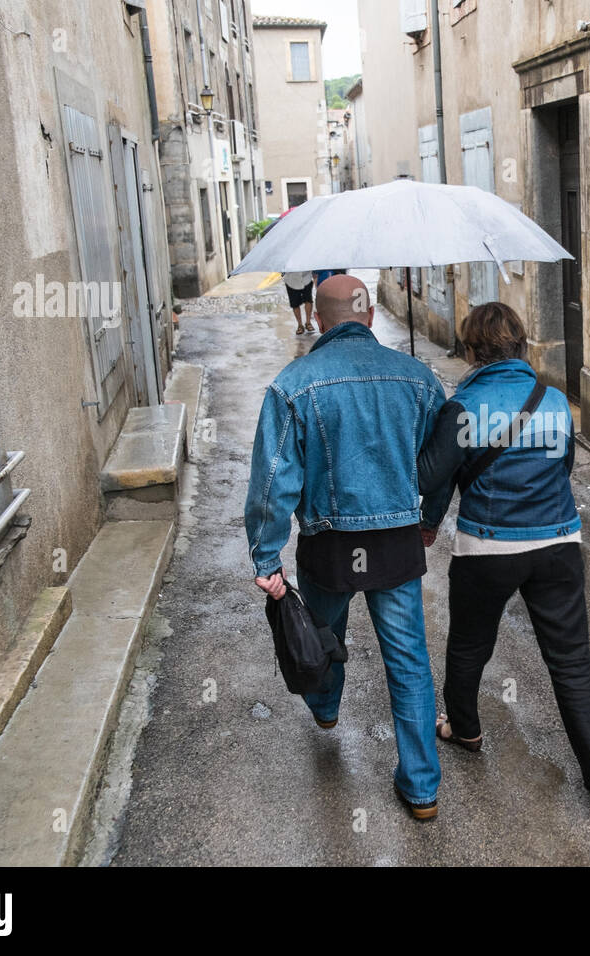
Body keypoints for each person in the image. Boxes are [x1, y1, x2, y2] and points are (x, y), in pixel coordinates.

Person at [245, 274, 447, 820]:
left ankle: (327, 708)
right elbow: (443, 460)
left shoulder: (294, 384)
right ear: (371, 316)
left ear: (318, 318)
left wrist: (267, 558)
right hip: (396, 546)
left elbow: (272, 482)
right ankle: (422, 788)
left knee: (324, 634)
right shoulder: (420, 379)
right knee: (407, 660)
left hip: (329, 546)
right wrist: (428, 519)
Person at [417, 302, 590, 817]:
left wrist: (429, 510)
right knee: (573, 661)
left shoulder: (462, 407)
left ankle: (464, 728)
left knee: (469, 646)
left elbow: (428, 477)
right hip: (558, 545)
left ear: (471, 351)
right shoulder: (555, 401)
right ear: (521, 346)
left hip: (489, 547)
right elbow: (565, 466)